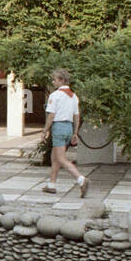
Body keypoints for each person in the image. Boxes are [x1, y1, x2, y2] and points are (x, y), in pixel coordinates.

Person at [42, 68, 89, 197]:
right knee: (55, 156)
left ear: (61, 80)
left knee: (60, 158)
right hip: (69, 127)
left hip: (59, 127)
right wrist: (75, 133)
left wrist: (44, 130)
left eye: (54, 79)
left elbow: (51, 115)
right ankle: (51, 184)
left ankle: (81, 179)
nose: (53, 82)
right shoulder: (73, 96)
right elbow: (76, 116)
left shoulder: (55, 95)